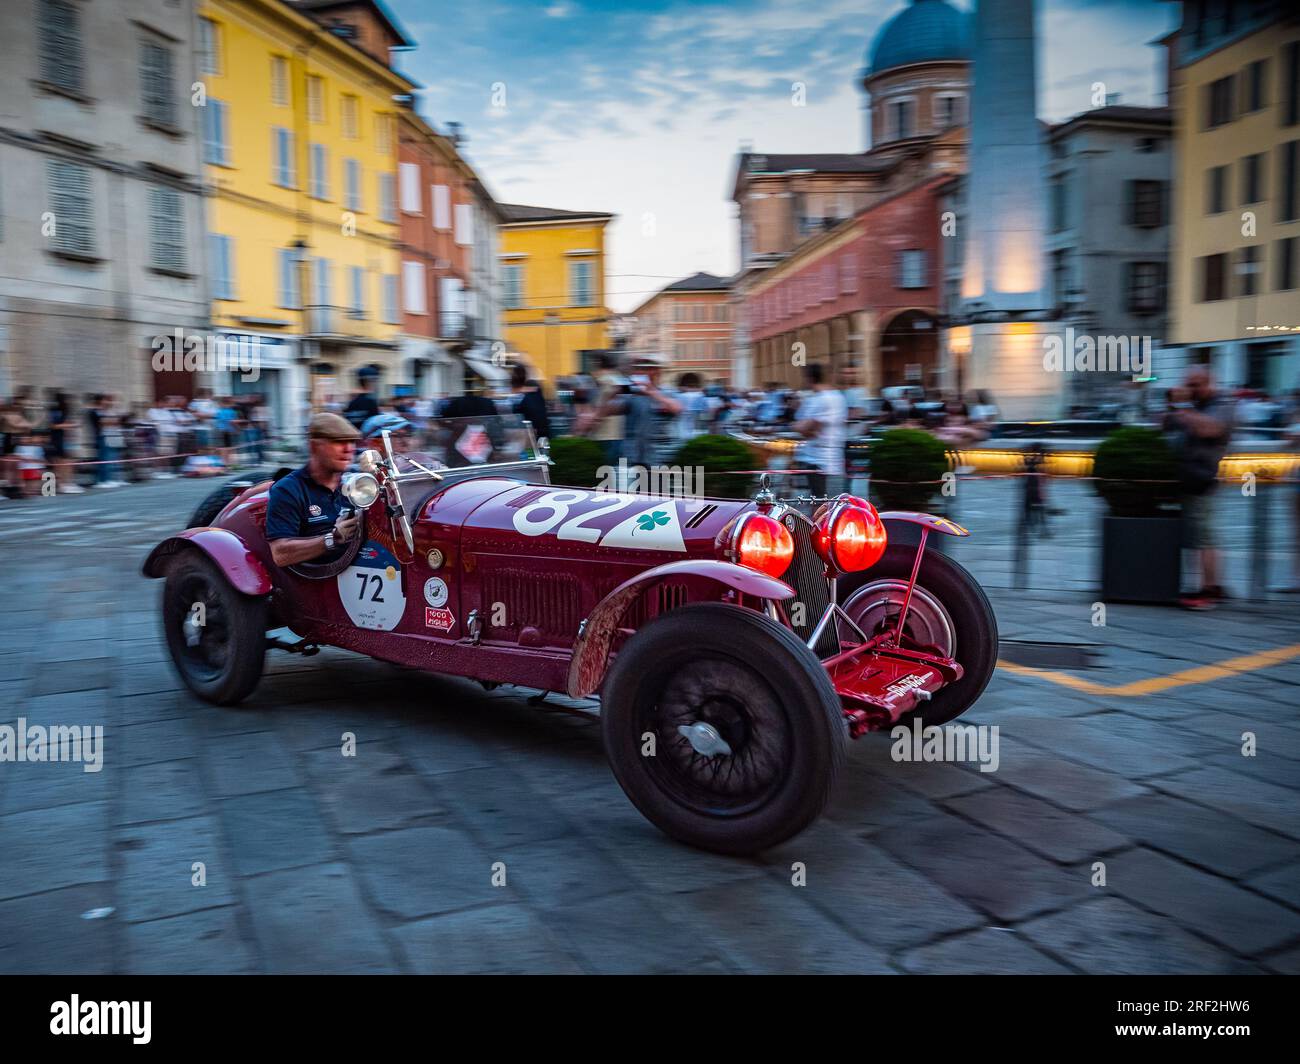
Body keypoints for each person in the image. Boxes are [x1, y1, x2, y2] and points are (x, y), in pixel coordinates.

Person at [1163, 368, 1234, 610]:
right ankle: (1203, 586)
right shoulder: (1195, 406)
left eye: (1196, 385)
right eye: (1188, 385)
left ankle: (1209, 590)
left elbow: (1209, 429)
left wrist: (1183, 405)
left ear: (1209, 382)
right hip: (1188, 478)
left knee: (1205, 537)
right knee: (1196, 536)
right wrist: (1172, 407)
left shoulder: (1223, 403)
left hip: (1203, 478)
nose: (1192, 390)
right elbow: (1165, 426)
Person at [265, 412, 362, 568]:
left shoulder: (360, 483)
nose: (348, 449)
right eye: (338, 442)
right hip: (317, 580)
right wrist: (333, 538)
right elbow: (280, 553)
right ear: (314, 446)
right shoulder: (288, 490)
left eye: (352, 441)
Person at [793, 362, 847, 498]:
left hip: (817, 460)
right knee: (834, 503)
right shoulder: (838, 397)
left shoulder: (819, 400)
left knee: (818, 503)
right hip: (835, 459)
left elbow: (805, 428)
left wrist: (800, 427)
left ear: (809, 379)